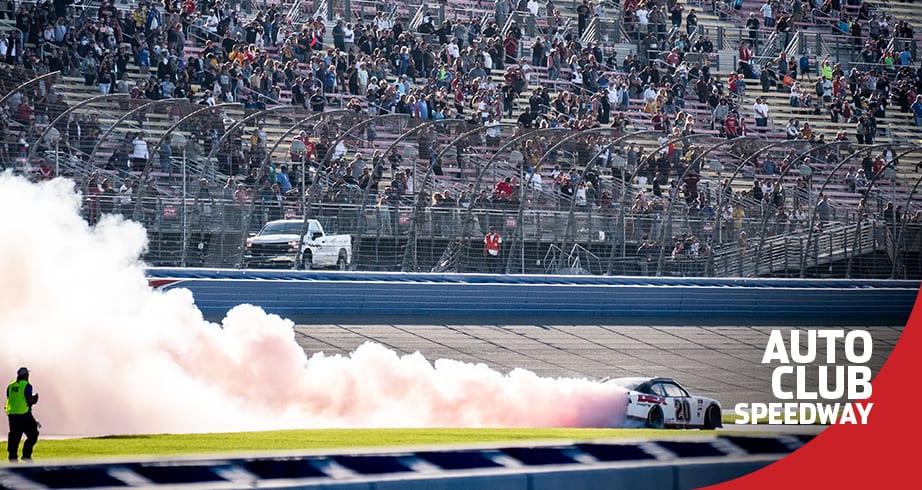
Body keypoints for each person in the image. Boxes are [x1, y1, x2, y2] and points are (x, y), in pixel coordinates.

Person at [6, 367, 39, 462]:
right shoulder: (26, 385)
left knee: (14, 438)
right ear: (25, 376)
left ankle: (12, 458)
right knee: (33, 435)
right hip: (24, 416)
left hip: (12, 415)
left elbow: (10, 397)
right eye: (28, 375)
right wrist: (34, 399)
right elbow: (28, 400)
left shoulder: (11, 386)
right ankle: (26, 455)